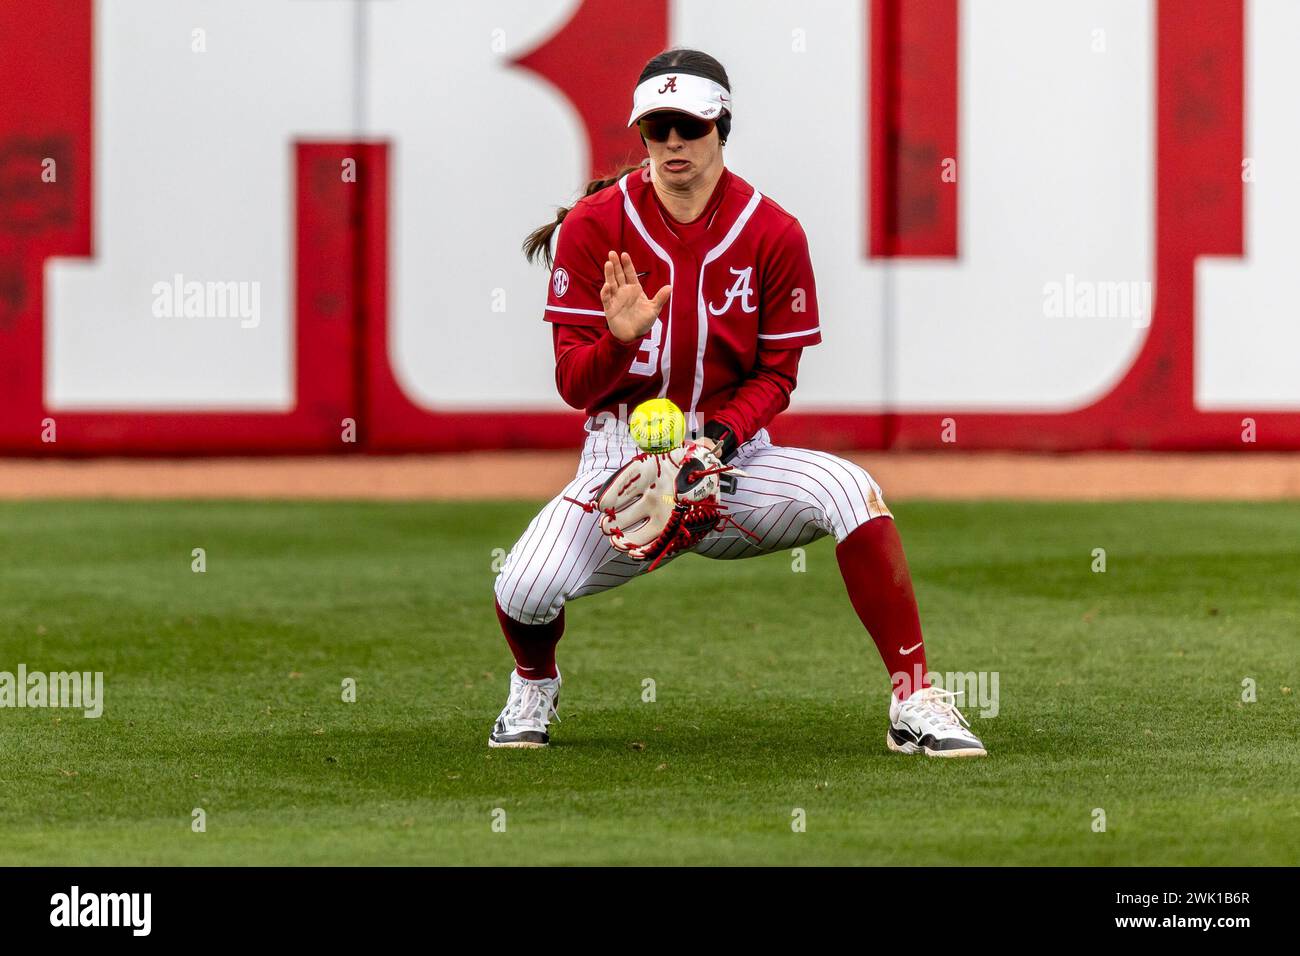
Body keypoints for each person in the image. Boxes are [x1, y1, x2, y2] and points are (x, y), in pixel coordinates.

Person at [493, 48, 986, 757]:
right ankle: (533, 681)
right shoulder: (595, 227)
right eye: (655, 129)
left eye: (687, 127)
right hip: (620, 463)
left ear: (722, 124)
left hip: (735, 458)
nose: (671, 144)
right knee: (522, 587)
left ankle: (916, 699)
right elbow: (575, 383)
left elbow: (778, 374)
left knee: (853, 491)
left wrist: (716, 443)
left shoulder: (772, 231)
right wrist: (621, 343)